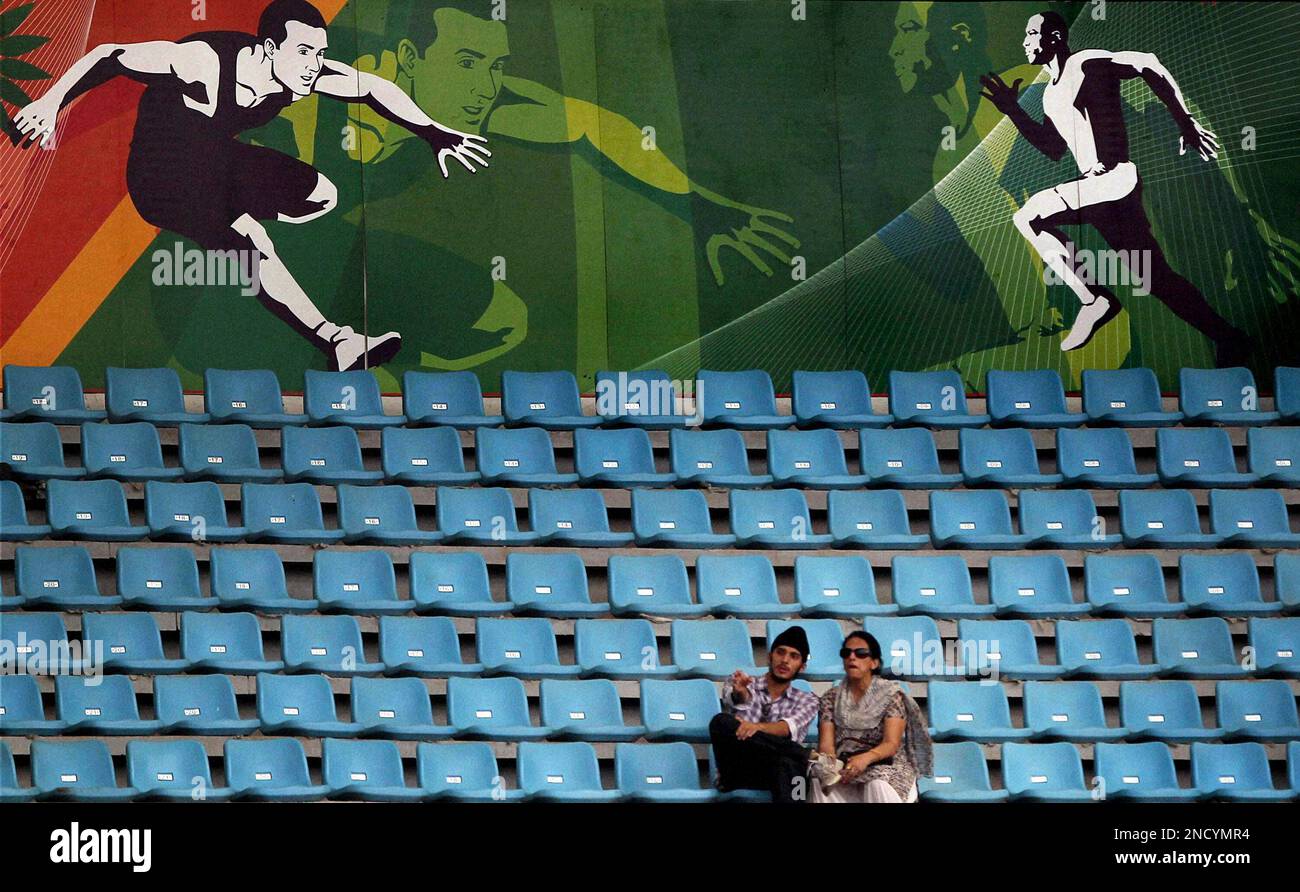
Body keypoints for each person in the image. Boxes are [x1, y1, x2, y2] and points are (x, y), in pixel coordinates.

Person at [11, 0, 489, 373]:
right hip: (160, 176)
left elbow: (372, 87)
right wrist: (51, 104)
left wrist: (435, 133)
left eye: (318, 55)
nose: (312, 66)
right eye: (303, 53)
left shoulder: (300, 73)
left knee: (322, 195)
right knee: (252, 240)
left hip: (216, 160)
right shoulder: (201, 64)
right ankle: (337, 340)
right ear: (268, 50)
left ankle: (233, 228)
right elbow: (109, 55)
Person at [980, 10, 1252, 364]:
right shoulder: (1049, 95)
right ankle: (1230, 338)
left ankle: (1095, 300)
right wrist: (1013, 111)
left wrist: (1185, 122)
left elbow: (1148, 63)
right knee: (1156, 279)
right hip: (1095, 193)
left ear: (1054, 39)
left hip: (1113, 181)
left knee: (1029, 217)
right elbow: (1052, 147)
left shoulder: (1086, 64)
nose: (1025, 41)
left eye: (1031, 33)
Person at [810, 631, 933, 804]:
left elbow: (891, 744)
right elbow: (827, 744)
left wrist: (866, 758)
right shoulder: (830, 698)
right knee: (819, 778)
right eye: (847, 653)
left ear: (874, 663)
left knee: (876, 783)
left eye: (860, 653)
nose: (852, 657)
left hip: (884, 764)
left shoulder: (890, 696)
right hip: (845, 765)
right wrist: (830, 765)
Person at [709, 625, 819, 803]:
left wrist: (756, 727)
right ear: (770, 656)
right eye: (780, 652)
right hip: (737, 769)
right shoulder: (741, 682)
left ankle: (801, 757)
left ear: (802, 666)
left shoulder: (808, 701)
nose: (785, 660)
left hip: (776, 770)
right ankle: (805, 755)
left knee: (790, 764)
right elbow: (735, 698)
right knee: (720, 722)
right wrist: (742, 694)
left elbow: (786, 728)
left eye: (794, 656)